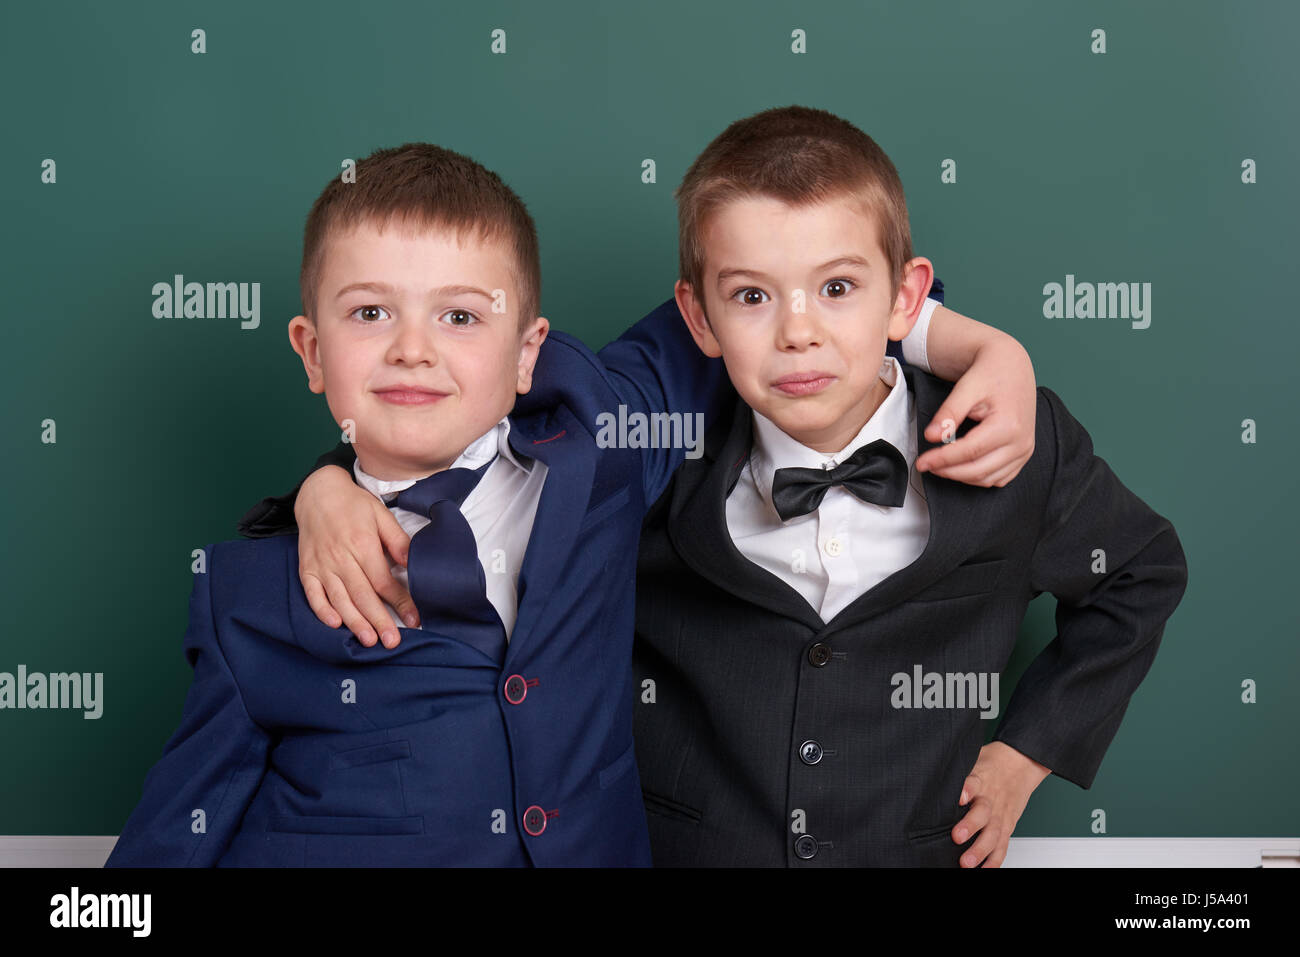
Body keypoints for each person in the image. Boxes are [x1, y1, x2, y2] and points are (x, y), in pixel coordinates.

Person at [108, 135, 1035, 866]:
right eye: (370, 313)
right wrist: (324, 486)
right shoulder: (248, 595)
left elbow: (767, 285)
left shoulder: (602, 444)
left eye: (461, 315)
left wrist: (976, 347)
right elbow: (173, 831)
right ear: (312, 352)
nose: (413, 350)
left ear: (528, 356)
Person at [630, 105, 1190, 866]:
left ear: (905, 299)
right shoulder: (655, 457)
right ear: (699, 318)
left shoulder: (1012, 439)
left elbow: (1141, 570)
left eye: (836, 288)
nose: (799, 331)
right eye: (753, 296)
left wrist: (1026, 752)